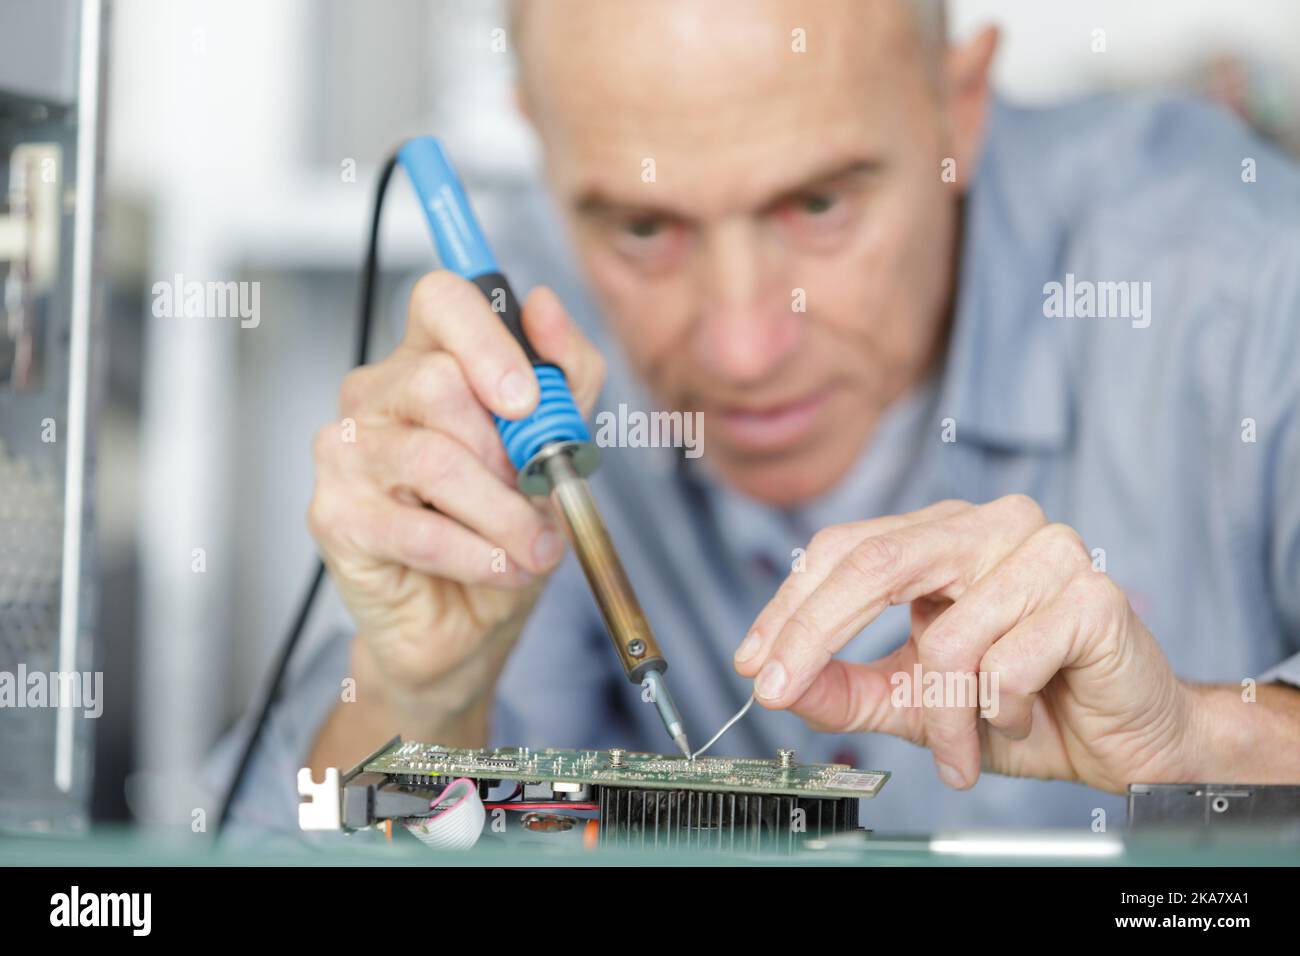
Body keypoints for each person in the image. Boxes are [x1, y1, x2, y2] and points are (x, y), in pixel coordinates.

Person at [214, 0, 1300, 833]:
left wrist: (1201, 736)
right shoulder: (526, 336)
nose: (741, 345)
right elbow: (279, 849)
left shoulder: (1240, 279)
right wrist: (419, 693)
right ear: (543, 146)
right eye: (644, 226)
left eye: (819, 204)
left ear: (957, 105)